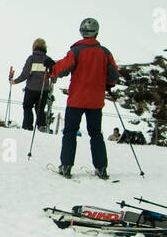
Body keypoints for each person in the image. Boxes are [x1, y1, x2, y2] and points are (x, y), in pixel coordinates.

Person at [50, 18, 119, 178]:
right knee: (96, 133)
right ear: (97, 32)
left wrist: (52, 68)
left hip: (77, 99)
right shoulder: (105, 53)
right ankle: (101, 168)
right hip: (95, 101)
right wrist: (107, 83)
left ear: (81, 32)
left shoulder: (76, 51)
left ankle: (66, 166)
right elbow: (114, 76)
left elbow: (62, 70)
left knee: (70, 132)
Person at [10, 39, 55, 131]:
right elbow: (54, 74)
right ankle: (41, 126)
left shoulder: (31, 58)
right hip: (44, 89)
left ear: (34, 47)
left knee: (27, 107)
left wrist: (15, 81)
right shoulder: (48, 59)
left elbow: (25, 74)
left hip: (31, 88)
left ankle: (27, 127)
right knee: (40, 109)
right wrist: (52, 81)